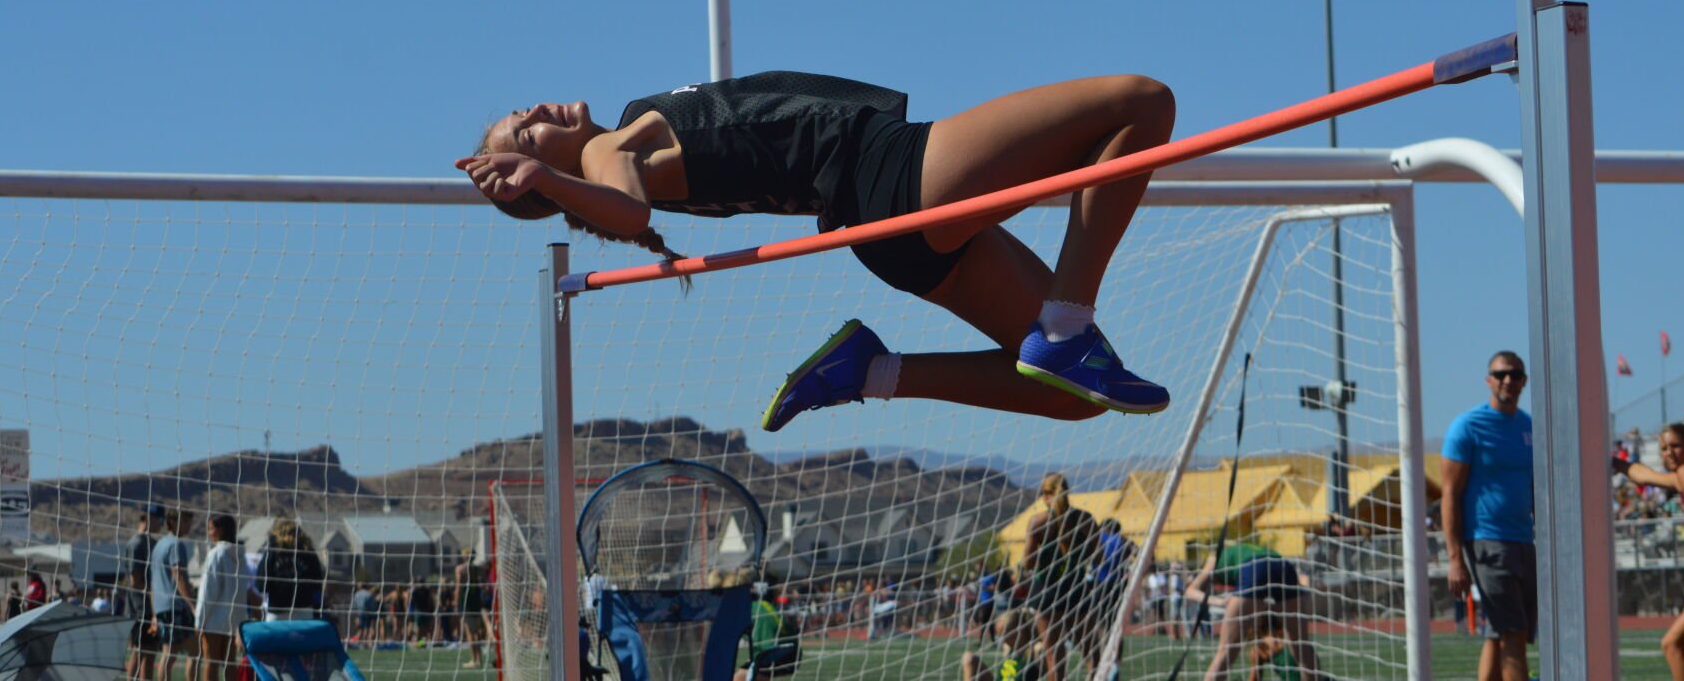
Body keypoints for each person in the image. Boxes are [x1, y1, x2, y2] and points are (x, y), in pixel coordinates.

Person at [457, 72, 1177, 426]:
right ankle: (1066, 325)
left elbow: (624, 207)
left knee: (1079, 397)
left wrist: (542, 170)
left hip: (881, 224)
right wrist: (545, 173)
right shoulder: (609, 153)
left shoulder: (616, 142)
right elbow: (624, 210)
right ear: (546, 180)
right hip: (890, 173)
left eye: (520, 117)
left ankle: (870, 371)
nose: (531, 115)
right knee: (1138, 104)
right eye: (524, 135)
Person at [1441, 350, 1535, 681]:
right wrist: (1454, 559)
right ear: (1488, 379)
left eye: (1515, 374)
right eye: (1500, 374)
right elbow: (1449, 494)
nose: (1507, 380)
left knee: (1498, 634)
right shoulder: (1467, 427)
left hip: (1524, 540)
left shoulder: (1529, 427)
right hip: (1487, 542)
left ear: (1524, 381)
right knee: (1514, 634)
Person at [1614, 422, 1684, 680]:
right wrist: (1613, 462)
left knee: (1673, 645)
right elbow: (1646, 476)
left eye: (1676, 446)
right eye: (1663, 449)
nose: (1669, 453)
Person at [1186, 544, 1318, 681]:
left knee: (1225, 653)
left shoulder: (1214, 558)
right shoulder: (1245, 549)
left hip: (1254, 569)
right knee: (1301, 647)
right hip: (1284, 566)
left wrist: (1220, 602)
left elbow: (1190, 591)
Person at [1022, 473, 1096, 681]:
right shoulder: (1085, 519)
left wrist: (1047, 558)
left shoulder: (1037, 522)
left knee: (1054, 655)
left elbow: (1027, 562)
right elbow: (1097, 555)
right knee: (1090, 652)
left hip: (1046, 591)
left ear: (1046, 495)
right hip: (1076, 589)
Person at [195, 514, 249, 681]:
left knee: (210, 662)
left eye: (211, 528)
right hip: (233, 620)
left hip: (214, 620)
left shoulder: (216, 554)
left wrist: (199, 620)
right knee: (229, 662)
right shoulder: (240, 557)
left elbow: (207, 591)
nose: (209, 533)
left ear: (220, 530)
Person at [151, 509, 200, 681]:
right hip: (175, 606)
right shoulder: (176, 544)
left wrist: (154, 612)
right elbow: (178, 575)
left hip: (162, 606)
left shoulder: (159, 545)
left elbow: (153, 582)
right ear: (172, 522)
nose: (189, 525)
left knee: (176, 651)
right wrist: (193, 606)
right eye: (185, 521)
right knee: (180, 652)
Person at [125, 506, 167, 681]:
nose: (162, 525)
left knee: (144, 654)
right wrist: (155, 596)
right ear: (149, 518)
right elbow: (136, 581)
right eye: (161, 520)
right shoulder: (136, 544)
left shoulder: (153, 543)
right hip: (141, 610)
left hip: (150, 609)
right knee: (144, 654)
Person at [258, 519, 325, 622]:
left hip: (277, 611)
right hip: (304, 610)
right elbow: (317, 583)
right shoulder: (308, 552)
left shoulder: (273, 553)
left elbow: (261, 585)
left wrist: (271, 545)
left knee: (275, 638)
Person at [960, 607, 1043, 681]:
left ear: (1018, 630)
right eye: (1000, 636)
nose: (1003, 640)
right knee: (968, 658)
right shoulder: (1008, 648)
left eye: (1005, 636)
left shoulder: (1036, 649)